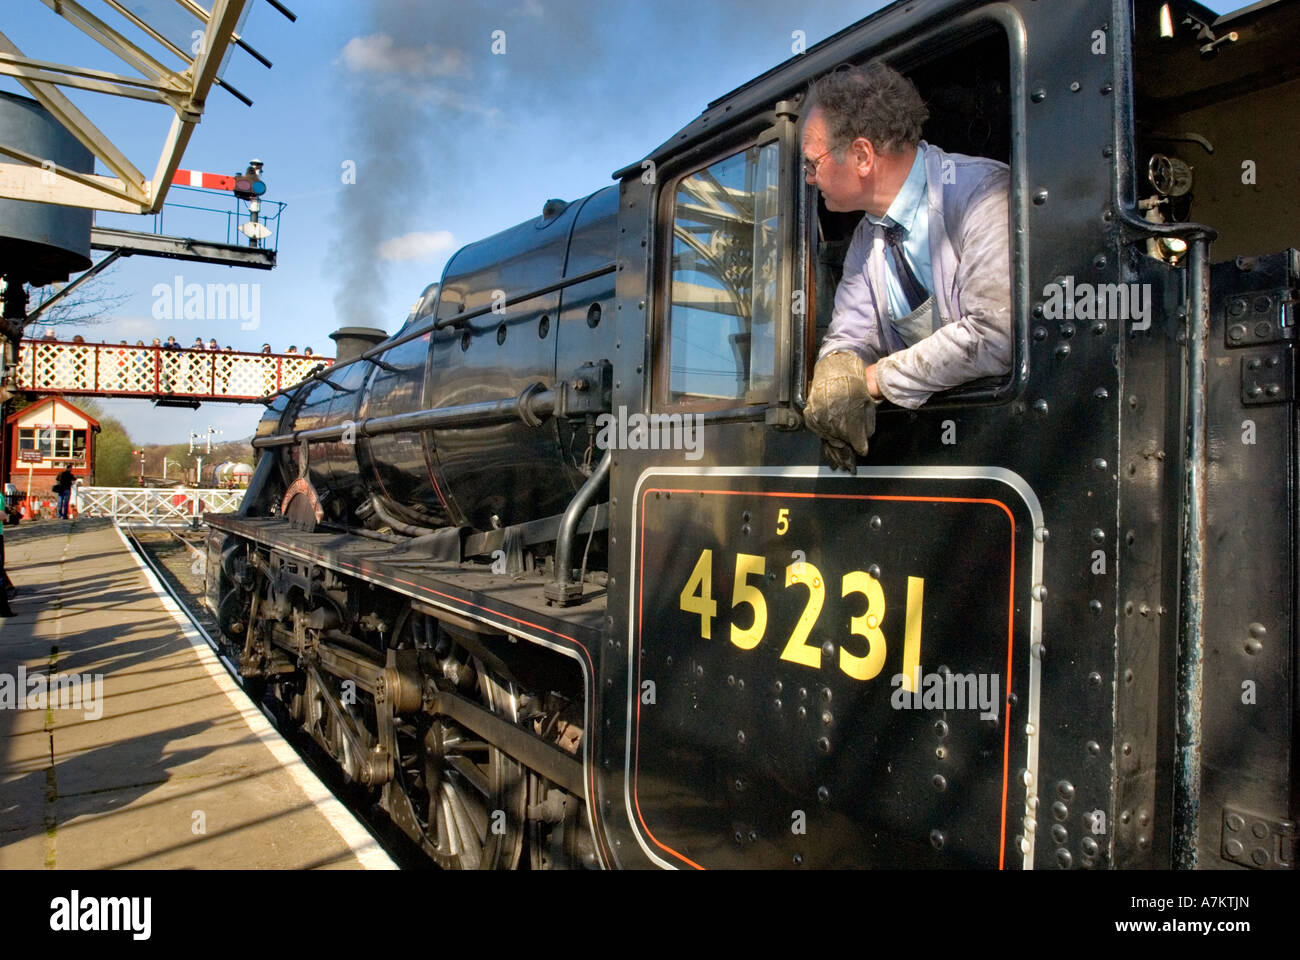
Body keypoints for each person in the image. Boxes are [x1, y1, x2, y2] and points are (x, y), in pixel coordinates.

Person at [800, 62, 1011, 469]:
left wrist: (873, 380)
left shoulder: (981, 196)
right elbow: (850, 332)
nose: (809, 178)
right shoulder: (867, 236)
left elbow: (993, 335)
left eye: (813, 164)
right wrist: (836, 367)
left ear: (862, 155)